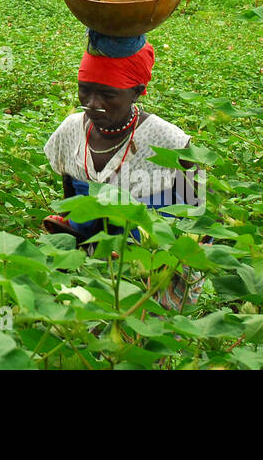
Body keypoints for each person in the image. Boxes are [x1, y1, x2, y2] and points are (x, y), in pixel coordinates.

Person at [41, 39, 207, 312]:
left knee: (137, 342)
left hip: (153, 270)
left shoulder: (167, 139)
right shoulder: (70, 130)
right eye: (85, 91)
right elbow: (68, 199)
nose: (93, 104)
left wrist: (169, 251)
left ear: (137, 92)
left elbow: (198, 210)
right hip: (93, 260)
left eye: (107, 95)